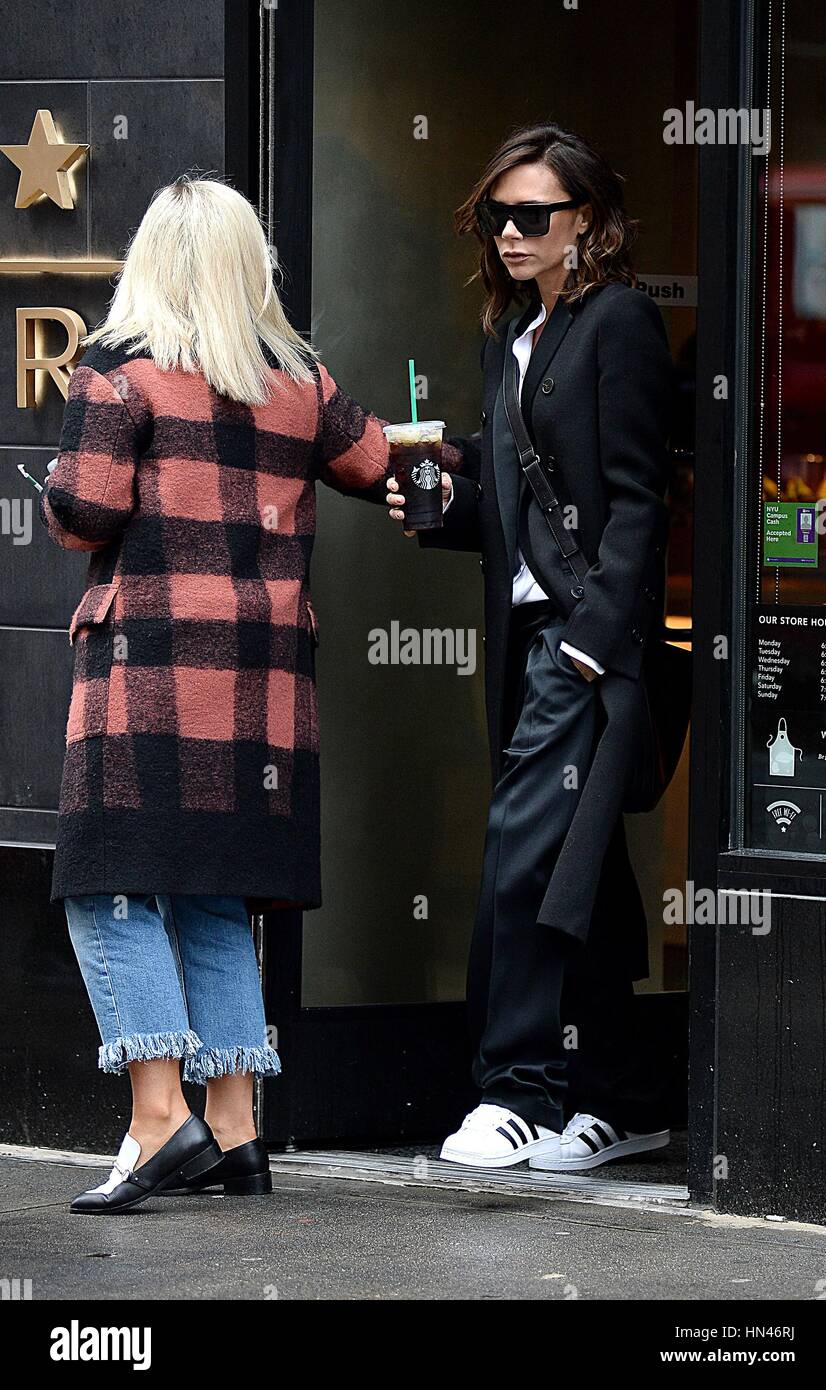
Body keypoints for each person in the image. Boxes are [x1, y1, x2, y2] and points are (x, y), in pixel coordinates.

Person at [41, 175, 392, 1212]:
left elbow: (85, 514)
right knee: (213, 896)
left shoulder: (116, 371)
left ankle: (159, 1121)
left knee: (105, 889)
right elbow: (373, 462)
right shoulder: (301, 376)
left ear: (152, 260)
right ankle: (235, 1127)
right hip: (267, 691)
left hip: (147, 673)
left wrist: (64, 481)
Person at [387, 124, 675, 1171]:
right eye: (494, 216)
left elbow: (641, 499)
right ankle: (625, 1097)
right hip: (518, 637)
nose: (509, 233)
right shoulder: (511, 334)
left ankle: (515, 1086)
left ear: (585, 222)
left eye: (533, 216)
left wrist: (594, 645)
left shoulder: (618, 325)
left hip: (575, 640)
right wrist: (442, 504)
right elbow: (516, 509)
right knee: (574, 872)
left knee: (517, 855)